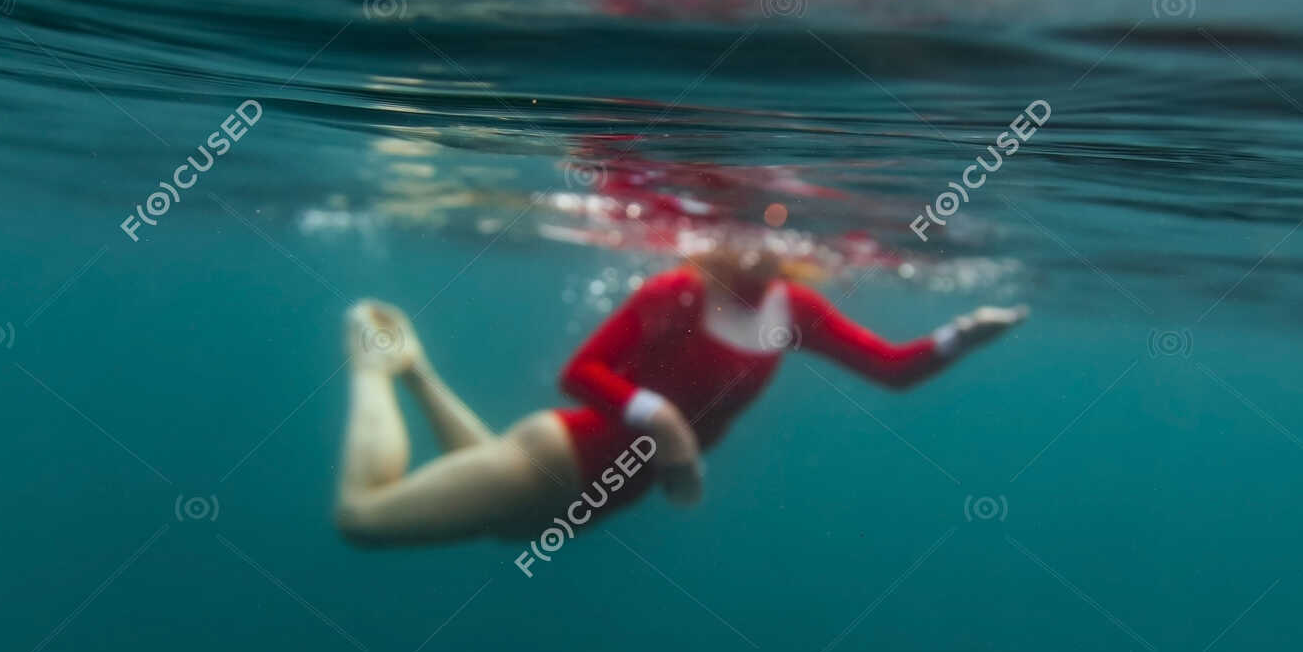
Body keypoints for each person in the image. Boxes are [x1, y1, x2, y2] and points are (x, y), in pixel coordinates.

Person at [335, 246, 1026, 545]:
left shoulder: (796, 310)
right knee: (361, 520)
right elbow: (580, 374)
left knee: (497, 522)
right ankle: (371, 366)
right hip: (559, 458)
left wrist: (963, 336)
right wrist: (664, 423)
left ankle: (415, 371)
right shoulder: (678, 292)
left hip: (589, 499)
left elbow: (892, 370)